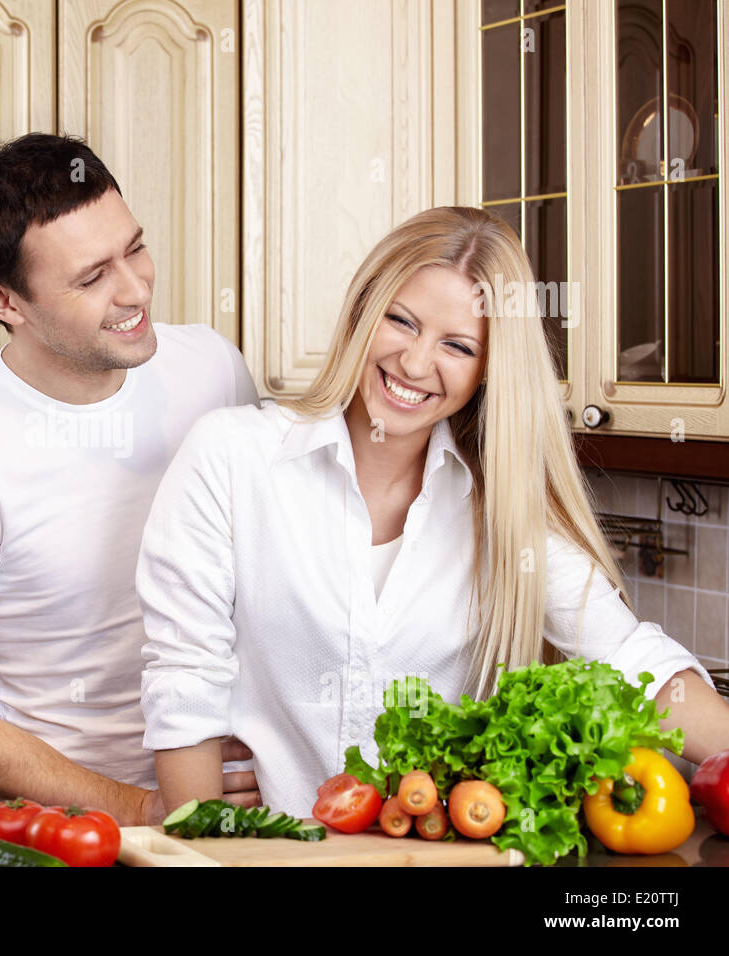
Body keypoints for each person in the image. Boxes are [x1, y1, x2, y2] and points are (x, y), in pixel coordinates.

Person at [139, 205, 729, 817]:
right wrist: (204, 846)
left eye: (457, 345)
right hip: (275, 855)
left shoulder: (501, 508)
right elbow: (185, 682)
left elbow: (633, 665)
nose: (416, 364)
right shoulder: (232, 456)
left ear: (487, 370)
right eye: (401, 320)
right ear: (365, 310)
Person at [0, 133, 262, 826]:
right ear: (5, 301)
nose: (134, 289)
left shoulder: (211, 369)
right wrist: (143, 807)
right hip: (95, 833)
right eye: (91, 279)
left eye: (135, 249)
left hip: (262, 806)